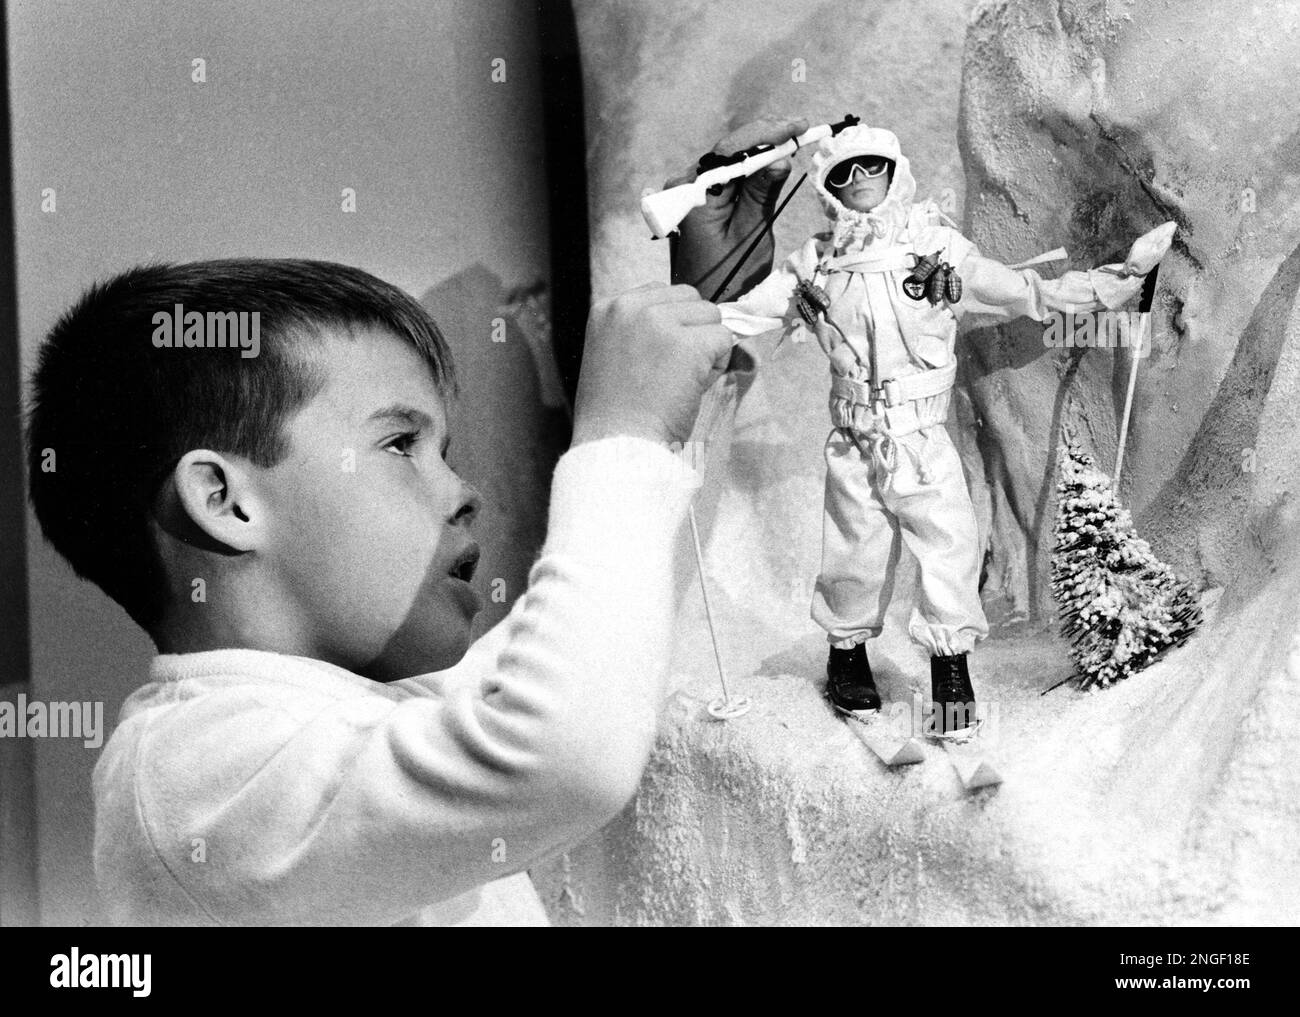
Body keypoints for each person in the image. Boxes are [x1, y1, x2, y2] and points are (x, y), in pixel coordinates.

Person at [25, 259, 732, 925]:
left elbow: (598, 649)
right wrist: (620, 438)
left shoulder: (352, 709)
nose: (464, 493)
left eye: (444, 454)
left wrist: (694, 383)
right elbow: (568, 749)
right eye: (401, 445)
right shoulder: (189, 773)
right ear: (225, 501)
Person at [677, 122, 1169, 734]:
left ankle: (950, 671)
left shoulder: (937, 249)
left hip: (923, 434)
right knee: (852, 549)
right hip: (855, 435)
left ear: (893, 171)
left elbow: (1024, 293)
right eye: (844, 174)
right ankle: (847, 654)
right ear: (828, 187)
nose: (860, 182)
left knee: (948, 547)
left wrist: (1109, 287)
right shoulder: (819, 261)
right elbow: (753, 311)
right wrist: (698, 327)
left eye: (871, 168)